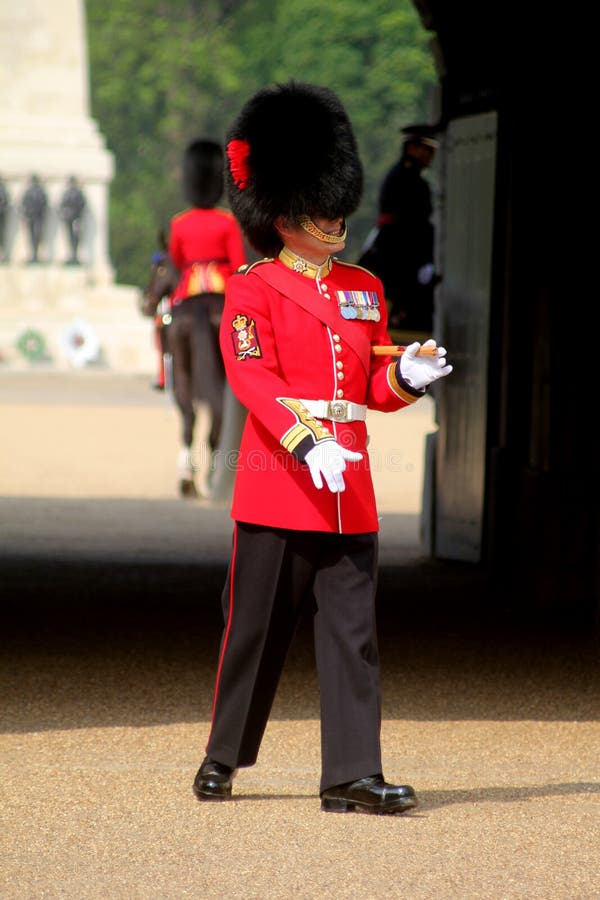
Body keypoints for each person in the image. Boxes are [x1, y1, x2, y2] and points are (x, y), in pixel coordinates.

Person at [192, 83, 452, 814]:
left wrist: (405, 373)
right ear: (282, 212)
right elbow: (252, 374)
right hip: (280, 478)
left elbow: (368, 382)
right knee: (256, 629)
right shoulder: (255, 288)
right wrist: (307, 445)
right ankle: (222, 754)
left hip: (351, 490)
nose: (335, 217)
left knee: (353, 637)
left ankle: (350, 774)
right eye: (318, 205)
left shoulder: (364, 287)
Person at [167, 139, 247, 497]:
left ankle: (186, 460)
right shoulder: (228, 222)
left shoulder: (179, 223)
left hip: (186, 297)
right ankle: (217, 467)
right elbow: (237, 265)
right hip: (221, 297)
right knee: (225, 379)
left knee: (165, 327)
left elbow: (175, 264)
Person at [358, 124, 441, 333]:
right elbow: (411, 225)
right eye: (427, 149)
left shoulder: (408, 176)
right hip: (400, 253)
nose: (431, 155)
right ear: (412, 148)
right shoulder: (407, 178)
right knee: (402, 302)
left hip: (403, 249)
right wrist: (423, 260)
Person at [58, 176, 86, 264]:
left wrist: (76, 213)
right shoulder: (67, 194)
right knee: (70, 236)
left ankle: (74, 255)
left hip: (76, 218)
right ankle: (72, 254)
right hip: (69, 219)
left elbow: (82, 205)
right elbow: (62, 206)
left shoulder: (78, 193)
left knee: (75, 236)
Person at [21, 175, 47, 264]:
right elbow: (23, 204)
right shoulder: (28, 192)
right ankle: (33, 254)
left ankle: (36, 254)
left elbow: (44, 204)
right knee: (31, 236)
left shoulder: (40, 192)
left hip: (38, 217)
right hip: (30, 217)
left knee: (37, 235)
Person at [0, 176, 9, 262]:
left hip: (1, 217)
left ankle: (3, 255)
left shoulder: (3, 191)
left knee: (2, 236)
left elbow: (5, 204)